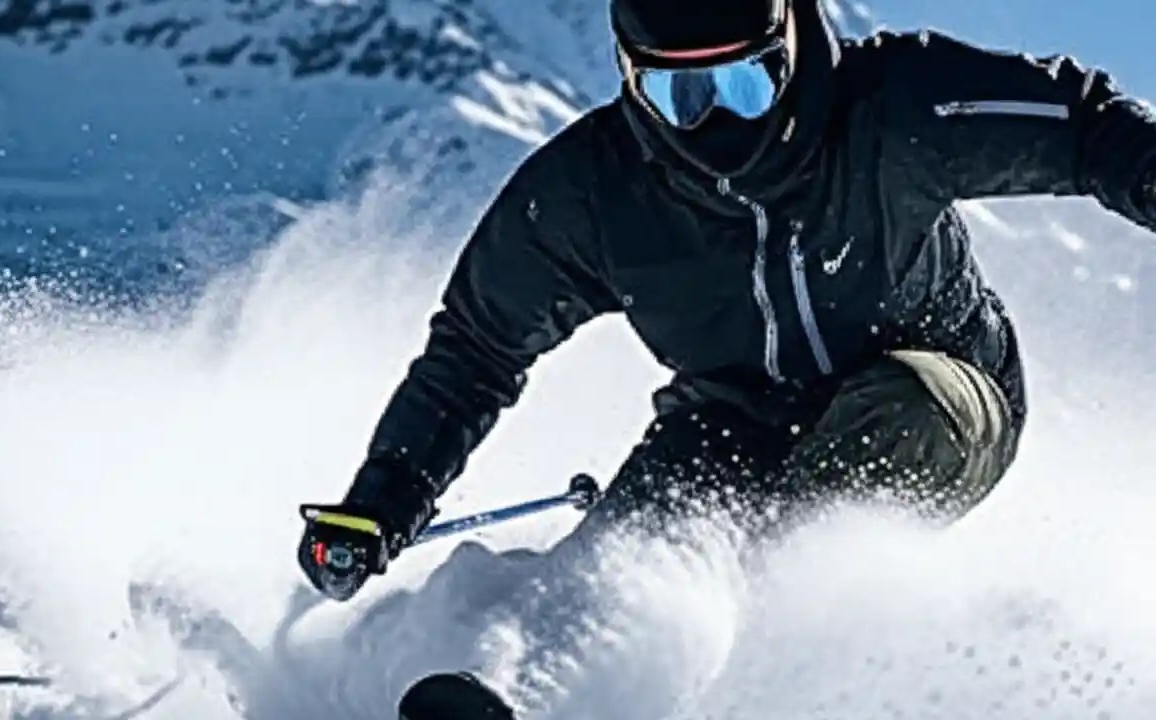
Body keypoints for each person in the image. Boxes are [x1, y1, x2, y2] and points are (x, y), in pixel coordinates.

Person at [299, 0, 1156, 713]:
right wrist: (383, 502)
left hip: (945, 397)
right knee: (641, 550)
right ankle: (523, 694)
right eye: (680, 95)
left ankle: (754, 661)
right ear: (631, 74)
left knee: (898, 410)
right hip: (735, 417)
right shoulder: (594, 191)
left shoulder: (894, 108)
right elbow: (474, 351)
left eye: (747, 85)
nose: (715, 122)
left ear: (789, 46)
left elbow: (1084, 126)